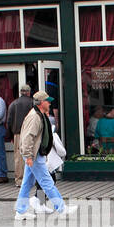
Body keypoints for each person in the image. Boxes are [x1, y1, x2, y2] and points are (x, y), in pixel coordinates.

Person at [14, 91, 76, 219]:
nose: (49, 103)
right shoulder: (35, 117)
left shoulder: (38, 114)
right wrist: (29, 156)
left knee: (27, 183)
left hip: (34, 154)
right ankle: (61, 208)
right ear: (41, 103)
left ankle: (20, 211)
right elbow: (28, 138)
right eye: (47, 101)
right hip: (35, 155)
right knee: (47, 181)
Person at [7, 84, 34, 186]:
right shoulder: (32, 103)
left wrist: (10, 136)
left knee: (18, 157)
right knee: (31, 155)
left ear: (20, 92)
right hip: (30, 133)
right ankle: (31, 179)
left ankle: (19, 180)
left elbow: (9, 121)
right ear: (28, 92)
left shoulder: (13, 104)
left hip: (17, 134)